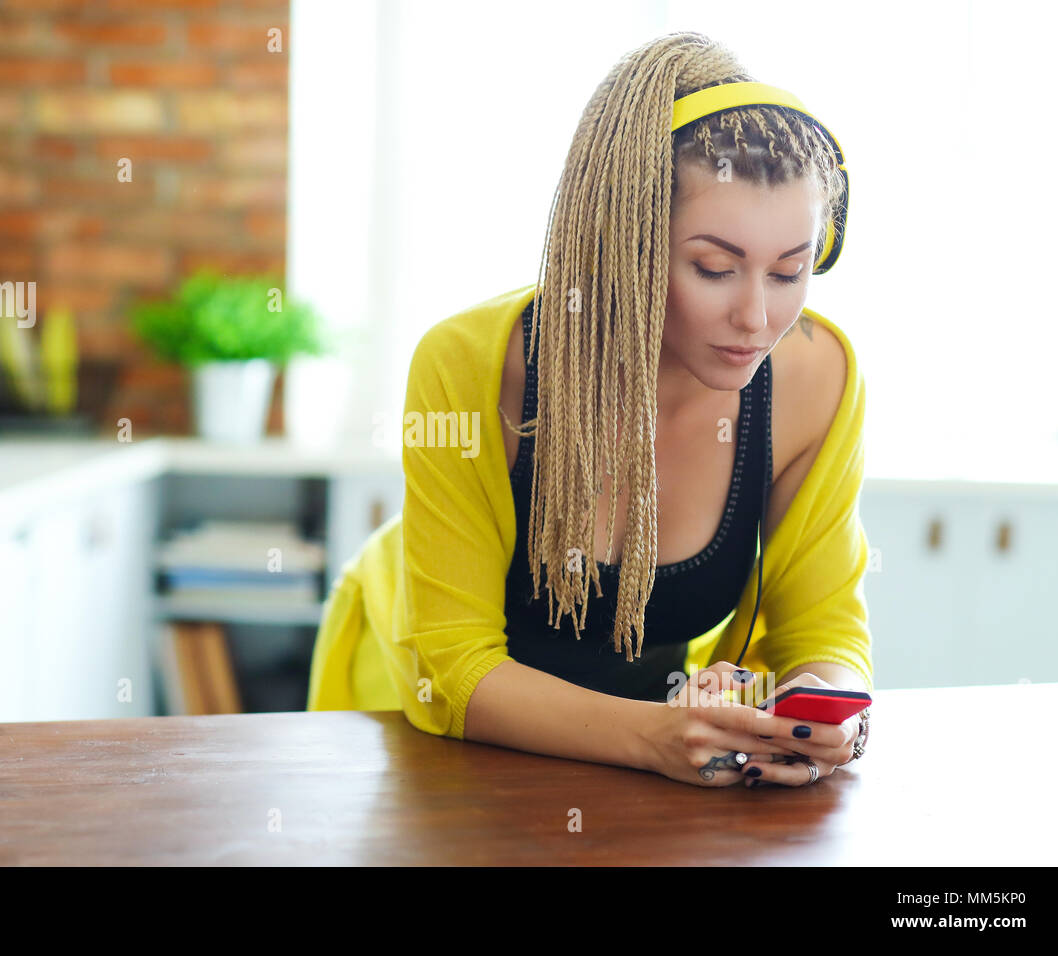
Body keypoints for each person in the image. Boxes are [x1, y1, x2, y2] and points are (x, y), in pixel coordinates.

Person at [308, 31, 873, 789]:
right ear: (624, 245)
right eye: (715, 268)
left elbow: (822, 629)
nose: (757, 317)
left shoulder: (817, 378)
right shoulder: (472, 366)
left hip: (643, 748)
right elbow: (452, 666)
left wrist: (821, 712)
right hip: (426, 731)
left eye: (790, 270)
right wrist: (658, 738)